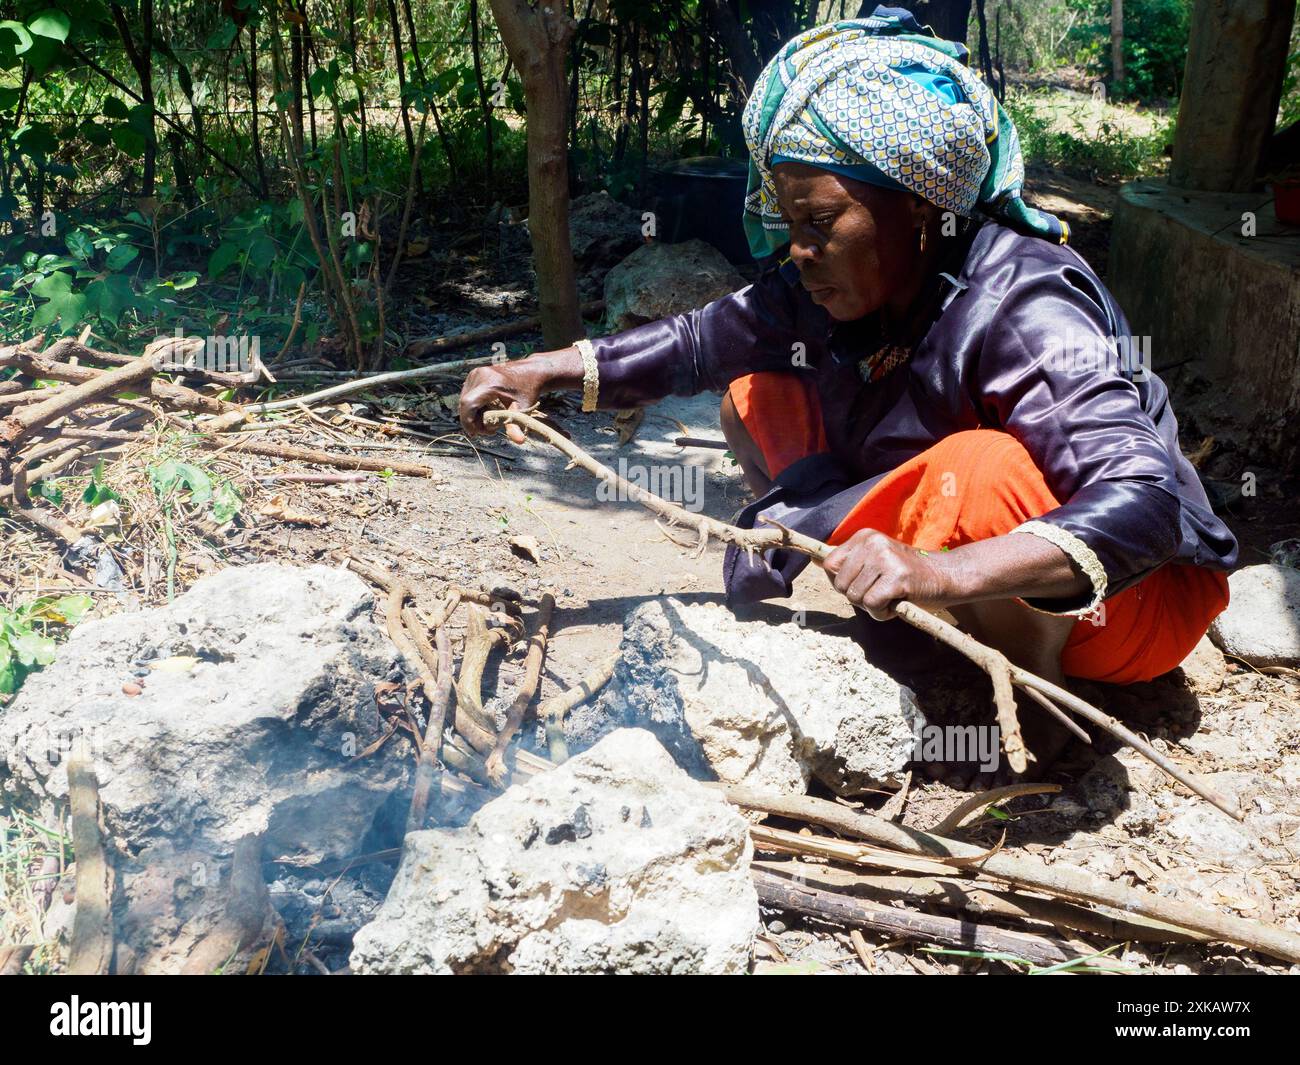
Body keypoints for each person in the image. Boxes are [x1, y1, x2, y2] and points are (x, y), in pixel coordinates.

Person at [459, 8, 1237, 733]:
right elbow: (703, 340)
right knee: (754, 395)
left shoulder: (1026, 302)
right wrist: (544, 370)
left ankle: (1031, 703)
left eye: (820, 224)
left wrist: (943, 570)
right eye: (793, 225)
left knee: (980, 468)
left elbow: (1146, 503)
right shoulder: (827, 280)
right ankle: (916, 604)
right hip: (979, 558)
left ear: (919, 209)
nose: (799, 250)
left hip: (1131, 606)